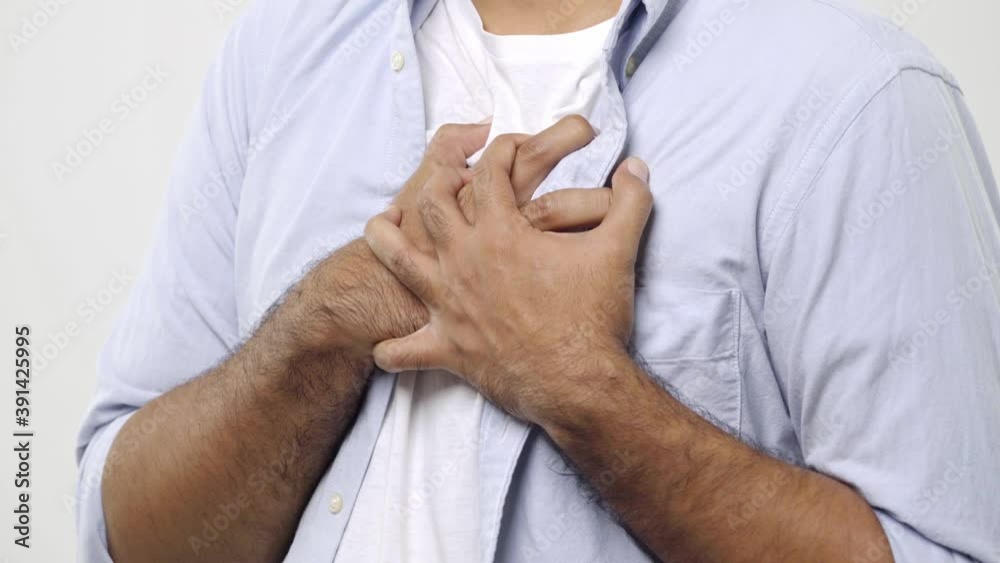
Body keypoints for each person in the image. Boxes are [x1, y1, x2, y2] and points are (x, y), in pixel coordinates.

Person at [77, 0, 1000, 561]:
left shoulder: (858, 96)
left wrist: (577, 380)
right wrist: (331, 315)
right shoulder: (277, 58)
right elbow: (129, 538)